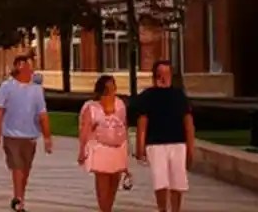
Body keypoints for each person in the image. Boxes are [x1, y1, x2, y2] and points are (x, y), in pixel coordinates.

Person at [0, 55, 54, 212]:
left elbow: (42, 114)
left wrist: (47, 137)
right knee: (17, 167)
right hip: (11, 135)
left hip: (30, 135)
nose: (31, 70)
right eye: (28, 66)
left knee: (25, 170)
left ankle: (21, 196)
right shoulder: (6, 87)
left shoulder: (36, 90)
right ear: (19, 67)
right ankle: (18, 200)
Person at [134, 60, 195, 212]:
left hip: (178, 143)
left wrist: (190, 148)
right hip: (156, 145)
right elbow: (142, 122)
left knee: (177, 182)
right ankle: (162, 209)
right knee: (160, 181)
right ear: (155, 76)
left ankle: (176, 209)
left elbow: (188, 122)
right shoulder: (148, 96)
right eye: (161, 73)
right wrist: (140, 146)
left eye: (167, 73)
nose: (164, 77)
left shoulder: (179, 95)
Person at [78, 75, 130, 211]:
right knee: (103, 182)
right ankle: (104, 209)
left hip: (117, 148)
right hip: (100, 149)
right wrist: (82, 150)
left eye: (113, 87)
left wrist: (126, 151)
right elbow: (85, 130)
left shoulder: (120, 105)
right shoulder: (92, 107)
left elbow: (124, 126)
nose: (112, 90)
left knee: (114, 181)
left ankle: (108, 208)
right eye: (108, 88)